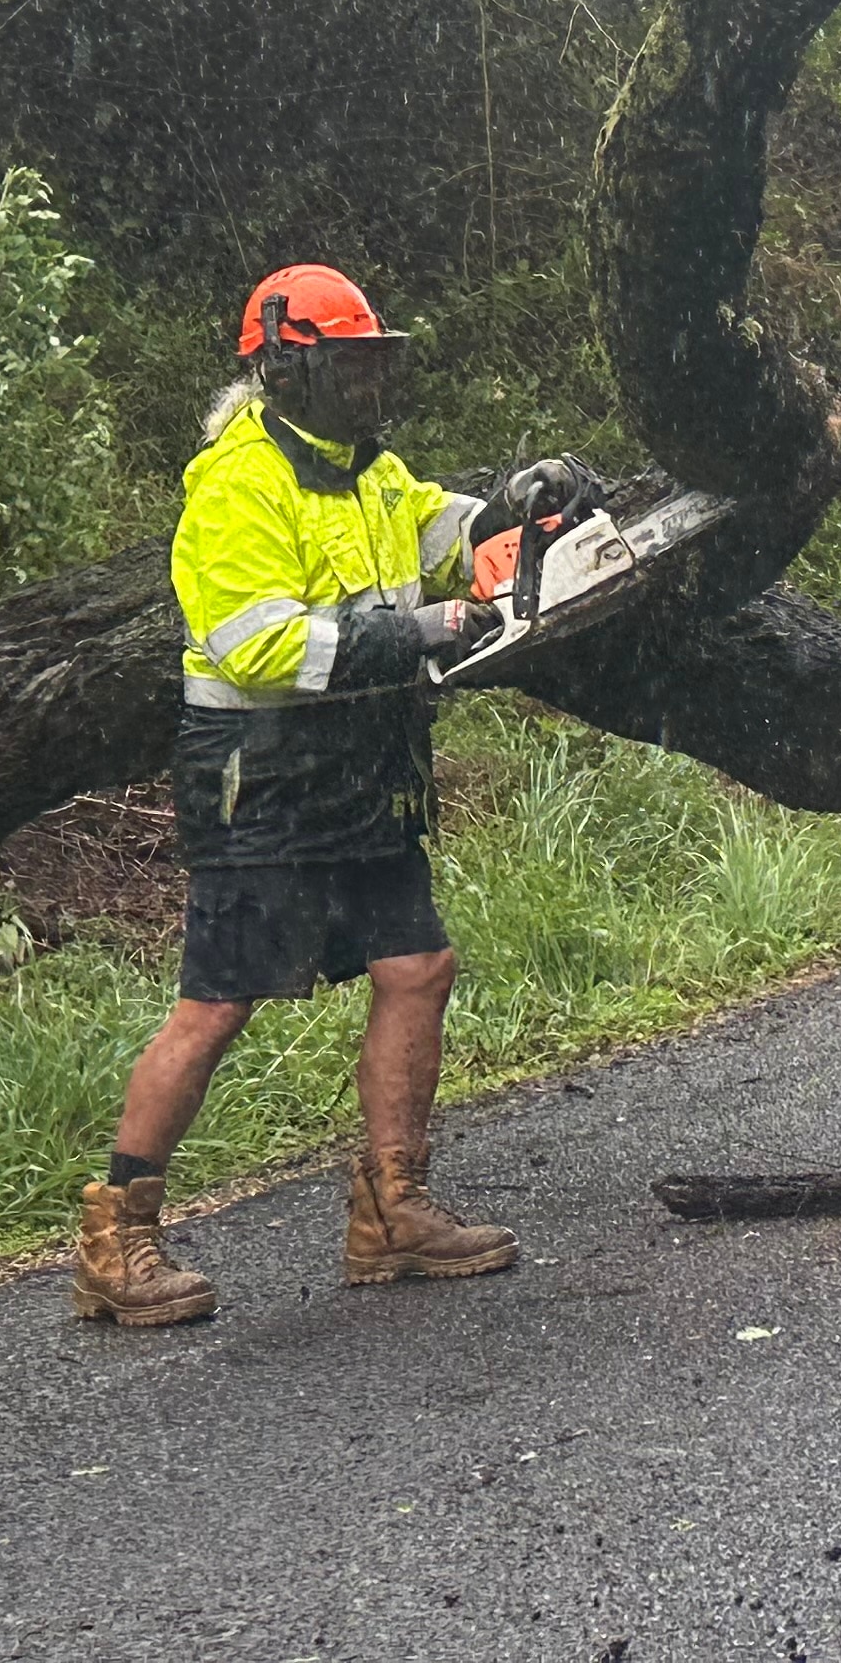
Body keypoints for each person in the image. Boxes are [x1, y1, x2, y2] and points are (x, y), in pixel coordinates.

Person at [71, 264, 602, 1330]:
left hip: (361, 760)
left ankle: (391, 1211)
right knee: (219, 1001)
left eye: (375, 363)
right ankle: (114, 1239)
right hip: (258, 768)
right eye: (350, 364)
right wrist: (416, 633)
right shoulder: (236, 485)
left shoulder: (365, 471)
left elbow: (439, 530)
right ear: (286, 365)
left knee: (418, 966)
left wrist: (517, 503)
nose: (368, 383)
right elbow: (256, 644)